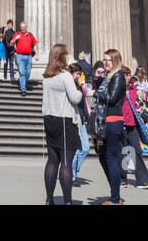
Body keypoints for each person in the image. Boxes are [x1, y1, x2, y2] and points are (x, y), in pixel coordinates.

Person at [40, 43, 83, 205]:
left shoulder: (47, 77)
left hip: (49, 119)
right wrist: (80, 89)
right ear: (62, 57)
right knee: (66, 162)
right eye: (67, 55)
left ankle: (49, 199)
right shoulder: (65, 76)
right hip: (64, 120)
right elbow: (75, 98)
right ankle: (67, 201)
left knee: (52, 160)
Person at [94, 48, 128, 204]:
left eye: (107, 59)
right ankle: (115, 194)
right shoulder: (108, 77)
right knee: (103, 157)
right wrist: (98, 79)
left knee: (111, 159)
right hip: (104, 120)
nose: (104, 62)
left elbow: (112, 98)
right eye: (104, 59)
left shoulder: (119, 76)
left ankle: (115, 198)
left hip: (113, 121)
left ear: (114, 61)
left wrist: (94, 93)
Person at [121, 72, 148, 190]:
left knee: (137, 150)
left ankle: (143, 180)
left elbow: (135, 103)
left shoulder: (133, 89)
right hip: (121, 123)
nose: (128, 77)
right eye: (126, 75)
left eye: (129, 75)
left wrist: (139, 108)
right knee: (123, 151)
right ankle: (122, 178)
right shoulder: (118, 88)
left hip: (132, 123)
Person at [70, 66, 93, 183]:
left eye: (80, 74)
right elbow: (75, 100)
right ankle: (72, 175)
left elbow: (85, 102)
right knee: (75, 150)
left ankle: (73, 169)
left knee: (85, 148)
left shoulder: (80, 85)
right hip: (74, 120)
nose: (79, 76)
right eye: (77, 74)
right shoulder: (69, 85)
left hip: (82, 120)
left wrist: (82, 85)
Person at [12, 21, 37, 96]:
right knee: (22, 72)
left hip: (29, 56)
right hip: (20, 56)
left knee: (28, 73)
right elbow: (11, 43)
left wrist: (37, 55)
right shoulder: (17, 34)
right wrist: (15, 39)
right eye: (21, 27)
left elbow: (35, 45)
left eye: (24, 27)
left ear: (26, 27)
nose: (23, 28)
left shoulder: (30, 35)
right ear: (20, 28)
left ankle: (22, 83)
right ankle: (23, 89)